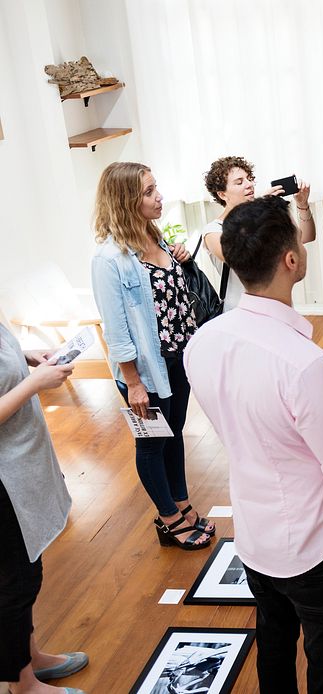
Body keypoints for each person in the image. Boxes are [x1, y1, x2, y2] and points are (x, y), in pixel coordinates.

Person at [185, 196, 323, 694]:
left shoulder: (203, 340)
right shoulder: (303, 362)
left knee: (273, 645)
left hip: (253, 533)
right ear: (292, 260)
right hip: (316, 543)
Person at [91, 162, 215, 550]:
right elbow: (116, 331)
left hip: (178, 358)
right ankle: (168, 519)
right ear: (126, 200)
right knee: (151, 444)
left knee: (174, 433)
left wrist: (181, 259)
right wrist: (133, 383)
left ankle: (182, 504)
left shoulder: (154, 237)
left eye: (155, 188)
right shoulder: (109, 259)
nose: (158, 197)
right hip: (145, 372)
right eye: (148, 192)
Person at [1, 324, 88, 694]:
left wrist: (25, 357)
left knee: (25, 568)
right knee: (16, 581)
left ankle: (29, 658)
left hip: (19, 463)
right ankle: (22, 685)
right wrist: (34, 383)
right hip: (4, 479)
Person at [201, 155, 316, 312]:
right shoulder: (213, 231)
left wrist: (302, 204)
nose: (249, 185)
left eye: (249, 179)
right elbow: (243, 258)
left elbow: (306, 237)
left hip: (278, 306)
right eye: (239, 182)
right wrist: (262, 208)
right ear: (222, 194)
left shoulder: (267, 214)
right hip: (241, 312)